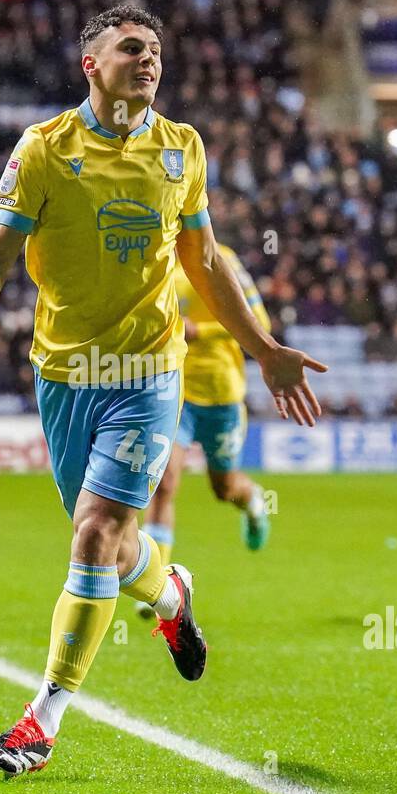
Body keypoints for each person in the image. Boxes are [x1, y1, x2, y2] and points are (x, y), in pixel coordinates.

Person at [0, 5, 326, 776]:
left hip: (146, 371)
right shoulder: (42, 151)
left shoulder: (182, 148)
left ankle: (41, 723)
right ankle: (171, 594)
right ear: (90, 66)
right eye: (131, 48)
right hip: (65, 376)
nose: (148, 60)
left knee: (96, 534)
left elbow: (203, 262)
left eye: (156, 50)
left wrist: (262, 348)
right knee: (114, 545)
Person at [139, 243, 272, 625]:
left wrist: (201, 330)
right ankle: (157, 585)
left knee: (223, 488)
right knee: (163, 484)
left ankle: (251, 500)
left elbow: (259, 321)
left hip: (223, 394)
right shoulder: (157, 260)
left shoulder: (222, 260)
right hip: (175, 392)